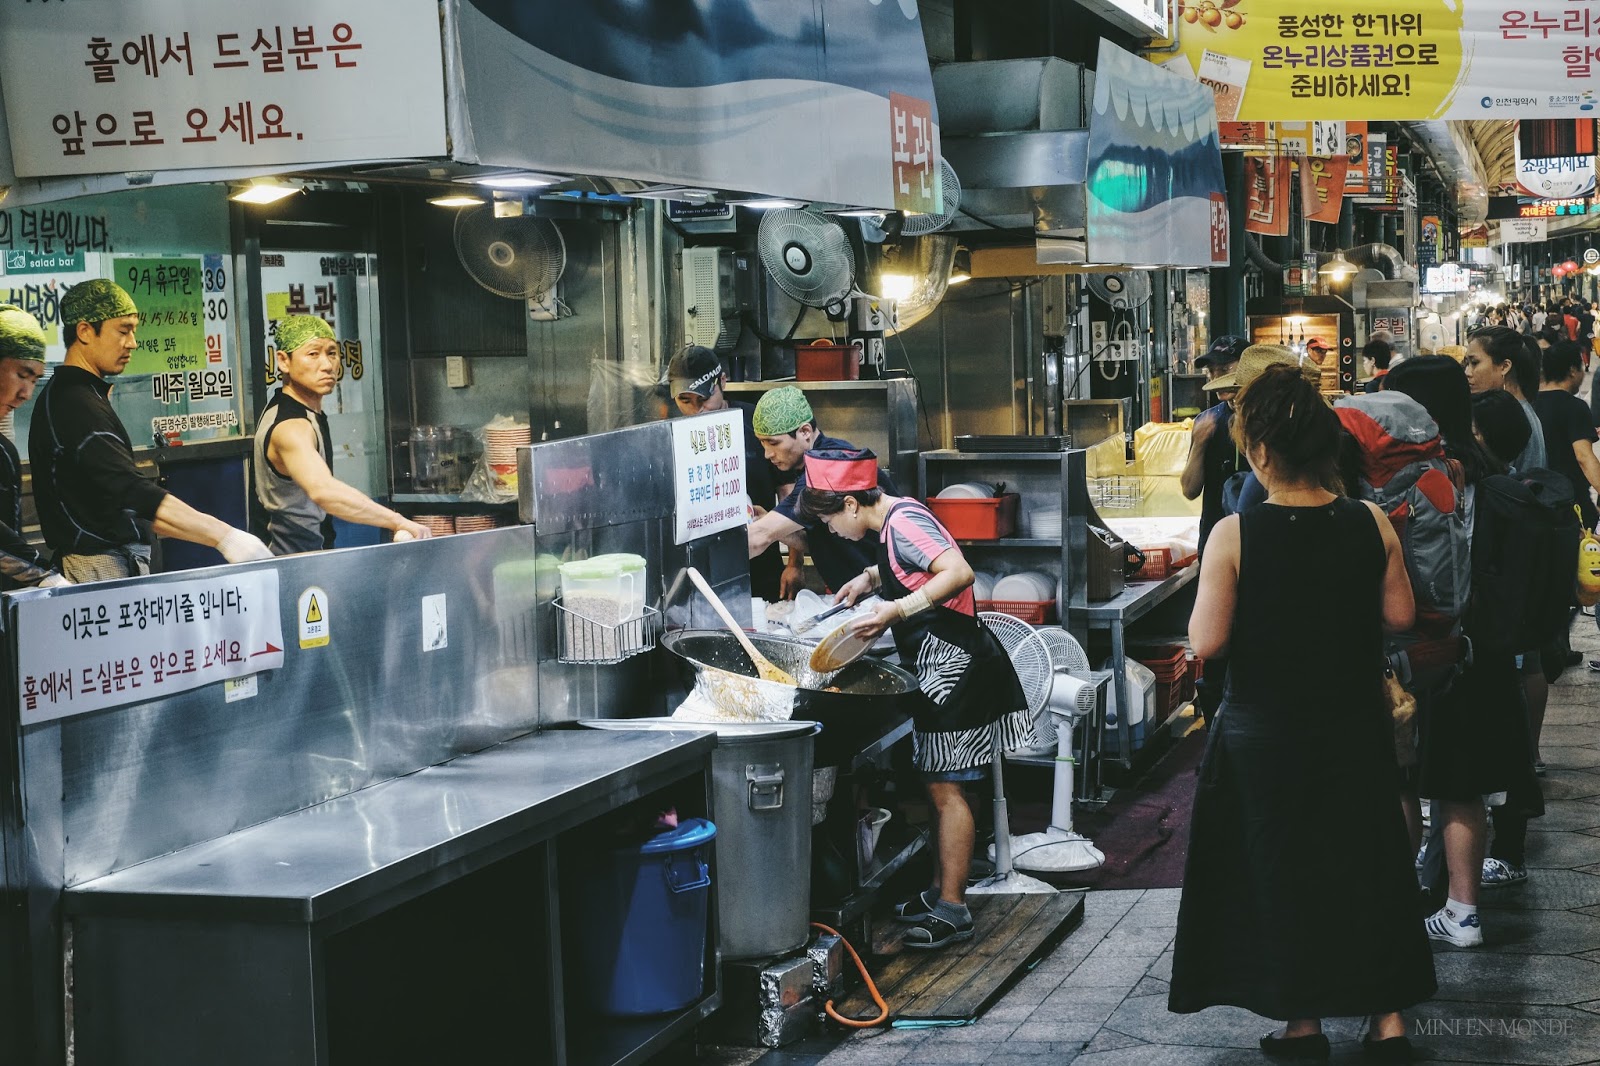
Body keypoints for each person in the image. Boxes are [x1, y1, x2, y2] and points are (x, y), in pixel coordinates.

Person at [1169, 364, 1435, 1061]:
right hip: (1352, 725)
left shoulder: (1236, 533)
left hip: (1267, 732)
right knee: (1367, 863)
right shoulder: (1368, 520)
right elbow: (1401, 616)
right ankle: (1387, 1021)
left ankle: (1303, 1025)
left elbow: (1206, 641)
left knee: (1282, 869)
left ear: (1257, 451)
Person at [801, 447, 1031, 950]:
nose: (831, 531)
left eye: (829, 519)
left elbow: (958, 572)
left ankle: (954, 908)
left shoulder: (902, 521)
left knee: (947, 790)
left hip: (956, 667)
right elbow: (911, 567)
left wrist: (893, 611)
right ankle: (940, 889)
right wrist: (869, 579)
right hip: (939, 665)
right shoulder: (892, 526)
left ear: (852, 504)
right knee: (939, 785)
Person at [1386, 358, 1538, 950]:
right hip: (1481, 652)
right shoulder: (1487, 470)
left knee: (1400, 777)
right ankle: (1463, 909)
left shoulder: (1409, 475)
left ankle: (1398, 900)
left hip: (1419, 649)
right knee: (1461, 782)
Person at [30, 280, 271, 581]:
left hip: (114, 562)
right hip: (97, 569)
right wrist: (225, 537)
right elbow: (131, 492)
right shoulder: (74, 404)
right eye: (123, 330)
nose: (132, 342)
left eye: (134, 330)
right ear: (84, 331)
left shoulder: (81, 395)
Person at [255, 315, 430, 554]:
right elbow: (323, 490)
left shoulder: (296, 411)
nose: (327, 365)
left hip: (308, 561)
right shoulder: (291, 427)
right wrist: (396, 520)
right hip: (290, 566)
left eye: (332, 353)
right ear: (284, 361)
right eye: (313, 354)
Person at [745, 386, 896, 596]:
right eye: (762, 443)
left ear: (805, 432)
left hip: (884, 590)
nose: (767, 454)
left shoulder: (829, 467)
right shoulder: (814, 462)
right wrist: (774, 526)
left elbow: (757, 538)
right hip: (863, 591)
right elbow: (816, 539)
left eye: (774, 443)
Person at [666, 345, 785, 600]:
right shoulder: (671, 437)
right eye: (685, 401)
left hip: (761, 568)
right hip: (698, 574)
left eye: (704, 399)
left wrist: (795, 564)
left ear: (723, 381)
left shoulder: (756, 423)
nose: (697, 410)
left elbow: (789, 493)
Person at [0, 305, 70, 589]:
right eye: (22, 374)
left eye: (34, 380)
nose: (26, 394)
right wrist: (47, 576)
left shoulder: (4, 453)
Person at [1179, 335, 1248, 555]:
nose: (1215, 377)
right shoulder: (1206, 421)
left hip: (1256, 540)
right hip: (1214, 542)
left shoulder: (1265, 418)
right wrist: (1199, 443)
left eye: (1225, 369)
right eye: (1211, 371)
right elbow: (1190, 490)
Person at [1529, 341, 1600, 532]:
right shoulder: (1574, 407)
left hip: (1535, 497)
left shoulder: (1530, 404)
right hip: (1569, 501)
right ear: (1572, 370)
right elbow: (1584, 457)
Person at [1463, 326, 1546, 474]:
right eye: (1466, 363)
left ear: (1504, 366)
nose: (1467, 372)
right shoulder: (1516, 410)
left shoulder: (1510, 417)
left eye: (1474, 363)